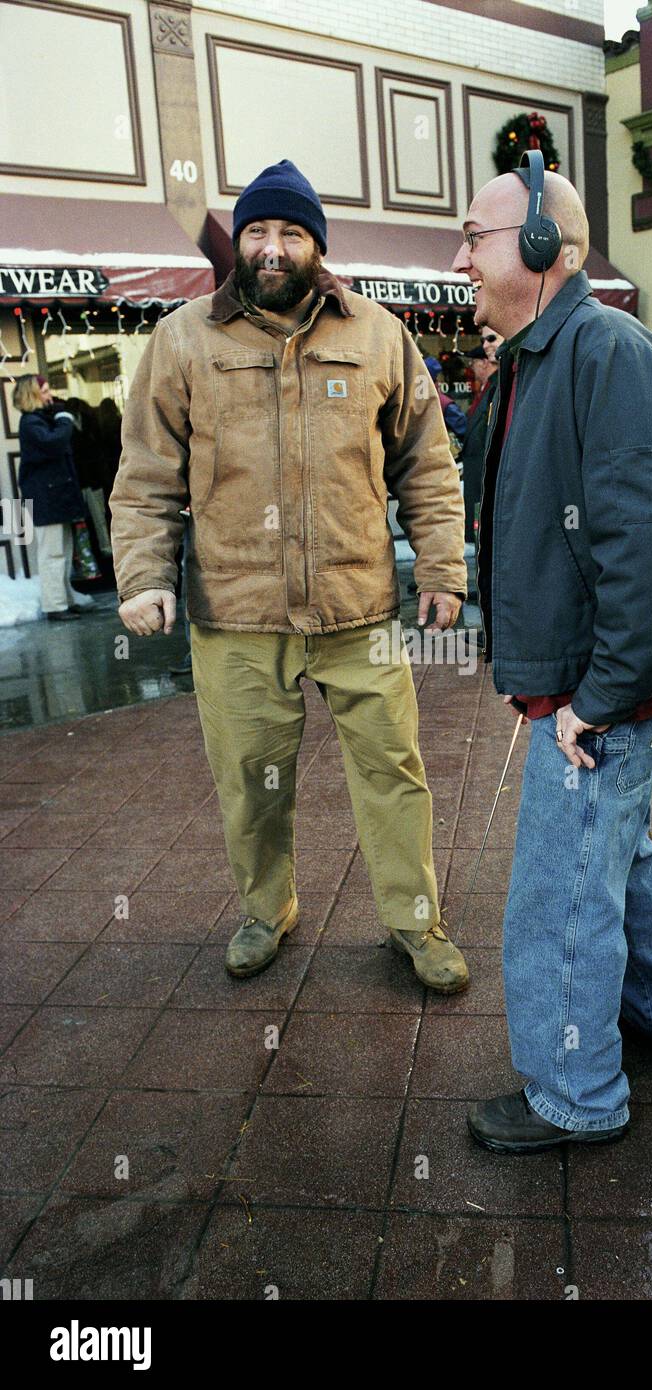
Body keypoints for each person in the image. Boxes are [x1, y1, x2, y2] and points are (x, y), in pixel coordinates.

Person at [110, 159, 470, 992]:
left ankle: (415, 926)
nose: (272, 248)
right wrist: (143, 577)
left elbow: (427, 462)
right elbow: (146, 474)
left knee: (393, 773)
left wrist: (442, 567)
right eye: (258, 233)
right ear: (240, 244)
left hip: (358, 611)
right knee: (250, 783)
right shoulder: (183, 338)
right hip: (234, 616)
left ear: (316, 245)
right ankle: (265, 911)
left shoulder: (378, 335)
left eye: (290, 233)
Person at [450, 154, 652, 1153]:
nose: (461, 256)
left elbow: (651, 549)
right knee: (616, 854)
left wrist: (592, 702)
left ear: (538, 246)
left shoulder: (608, 353)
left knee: (561, 892)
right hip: (598, 687)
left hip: (604, 697)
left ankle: (576, 1095)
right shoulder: (538, 357)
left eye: (475, 236)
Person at [13, 373, 88, 621]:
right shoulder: (31, 422)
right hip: (48, 497)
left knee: (63, 553)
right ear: (32, 394)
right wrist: (64, 419)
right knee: (52, 554)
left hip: (56, 496)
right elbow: (54, 444)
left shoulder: (40, 419)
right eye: (44, 391)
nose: (50, 396)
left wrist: (58, 416)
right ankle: (55, 606)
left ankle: (64, 600)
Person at [459, 341, 498, 545]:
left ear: (484, 363)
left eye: (473, 362)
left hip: (482, 465)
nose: (471, 367)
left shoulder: (495, 386)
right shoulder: (485, 388)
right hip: (474, 465)